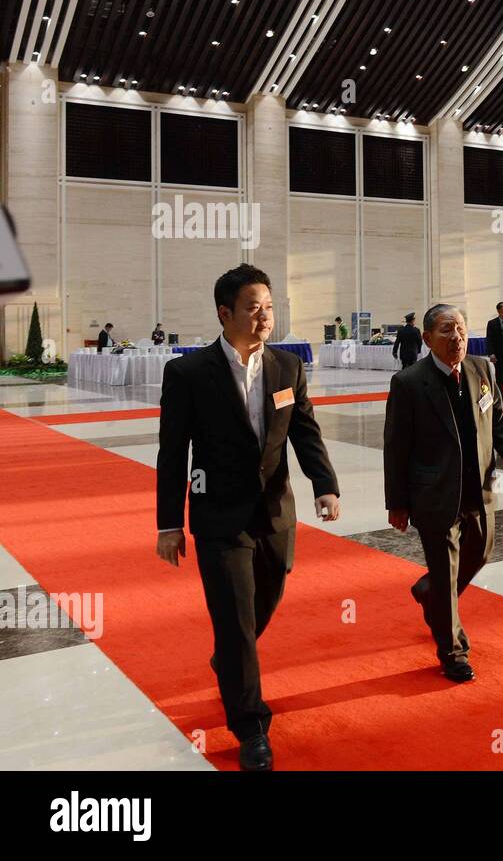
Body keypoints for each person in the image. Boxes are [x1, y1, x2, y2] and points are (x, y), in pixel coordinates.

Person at [156, 263, 341, 772]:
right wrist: (169, 522)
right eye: (253, 307)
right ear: (225, 313)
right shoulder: (189, 373)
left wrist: (324, 485)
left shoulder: (286, 366)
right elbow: (172, 452)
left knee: (268, 596)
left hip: (276, 512)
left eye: (269, 306)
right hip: (219, 515)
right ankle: (251, 725)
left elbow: (304, 430)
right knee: (236, 620)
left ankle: (229, 659)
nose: (264, 316)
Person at [384, 304, 503, 682]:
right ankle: (453, 651)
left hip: (478, 487)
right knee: (446, 571)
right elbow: (396, 447)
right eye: (447, 330)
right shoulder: (409, 383)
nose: (457, 338)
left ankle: (428, 590)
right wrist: (397, 502)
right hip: (434, 494)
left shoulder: (482, 369)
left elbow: (499, 422)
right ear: (428, 338)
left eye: (462, 329)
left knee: (481, 551)